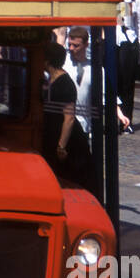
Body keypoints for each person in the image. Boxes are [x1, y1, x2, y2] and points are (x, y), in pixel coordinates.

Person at [41, 40, 90, 185]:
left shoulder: (64, 83)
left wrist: (61, 147)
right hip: (51, 134)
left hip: (67, 141)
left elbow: (69, 118)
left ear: (48, 60)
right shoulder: (48, 79)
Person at [115, 0, 140, 132]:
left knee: (127, 84)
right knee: (111, 83)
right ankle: (111, 120)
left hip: (128, 42)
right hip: (111, 39)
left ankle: (126, 121)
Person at [62, 26, 92, 137]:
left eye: (76, 45)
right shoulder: (63, 64)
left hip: (84, 125)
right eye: (69, 44)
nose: (71, 48)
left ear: (86, 45)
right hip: (63, 124)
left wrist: (119, 113)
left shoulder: (94, 69)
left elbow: (105, 96)